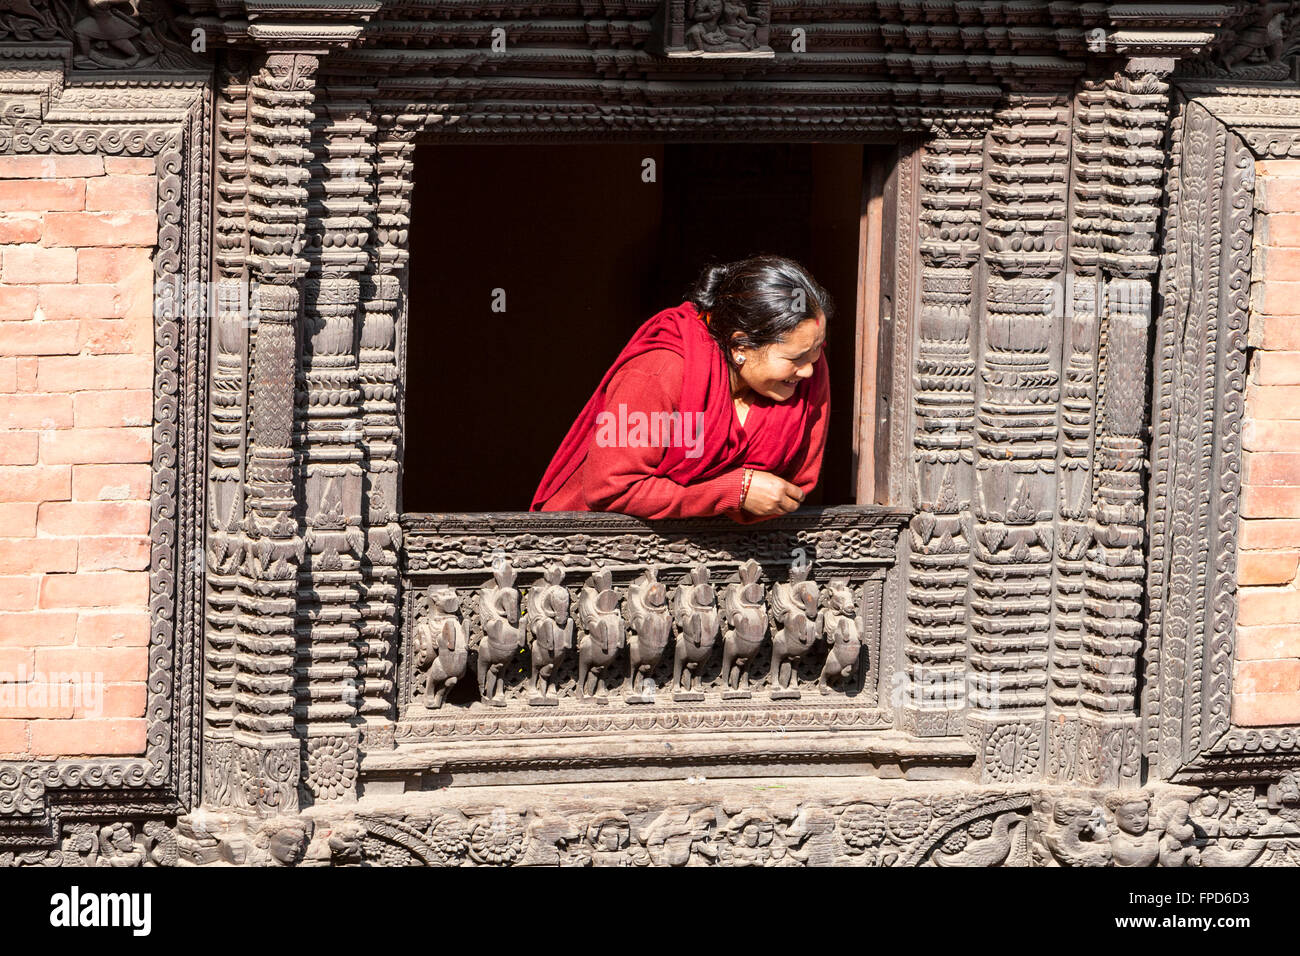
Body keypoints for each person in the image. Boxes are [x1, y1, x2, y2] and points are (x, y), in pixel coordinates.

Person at [530, 255, 830, 521]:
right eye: (795, 359)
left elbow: (796, 484)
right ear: (741, 345)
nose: (809, 370)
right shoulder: (662, 371)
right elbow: (610, 488)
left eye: (816, 352)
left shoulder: (805, 375)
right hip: (594, 558)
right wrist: (732, 491)